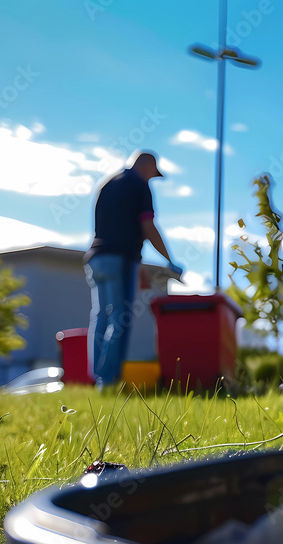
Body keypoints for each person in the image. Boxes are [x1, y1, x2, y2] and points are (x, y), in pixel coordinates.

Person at [83, 150, 183, 387]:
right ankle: (108, 380)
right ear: (147, 166)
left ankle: (96, 377)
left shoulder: (106, 184)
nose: (151, 178)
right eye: (152, 173)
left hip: (96, 258)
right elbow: (147, 227)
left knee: (100, 315)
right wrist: (170, 260)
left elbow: (114, 229)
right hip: (120, 260)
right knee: (119, 316)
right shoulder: (140, 186)